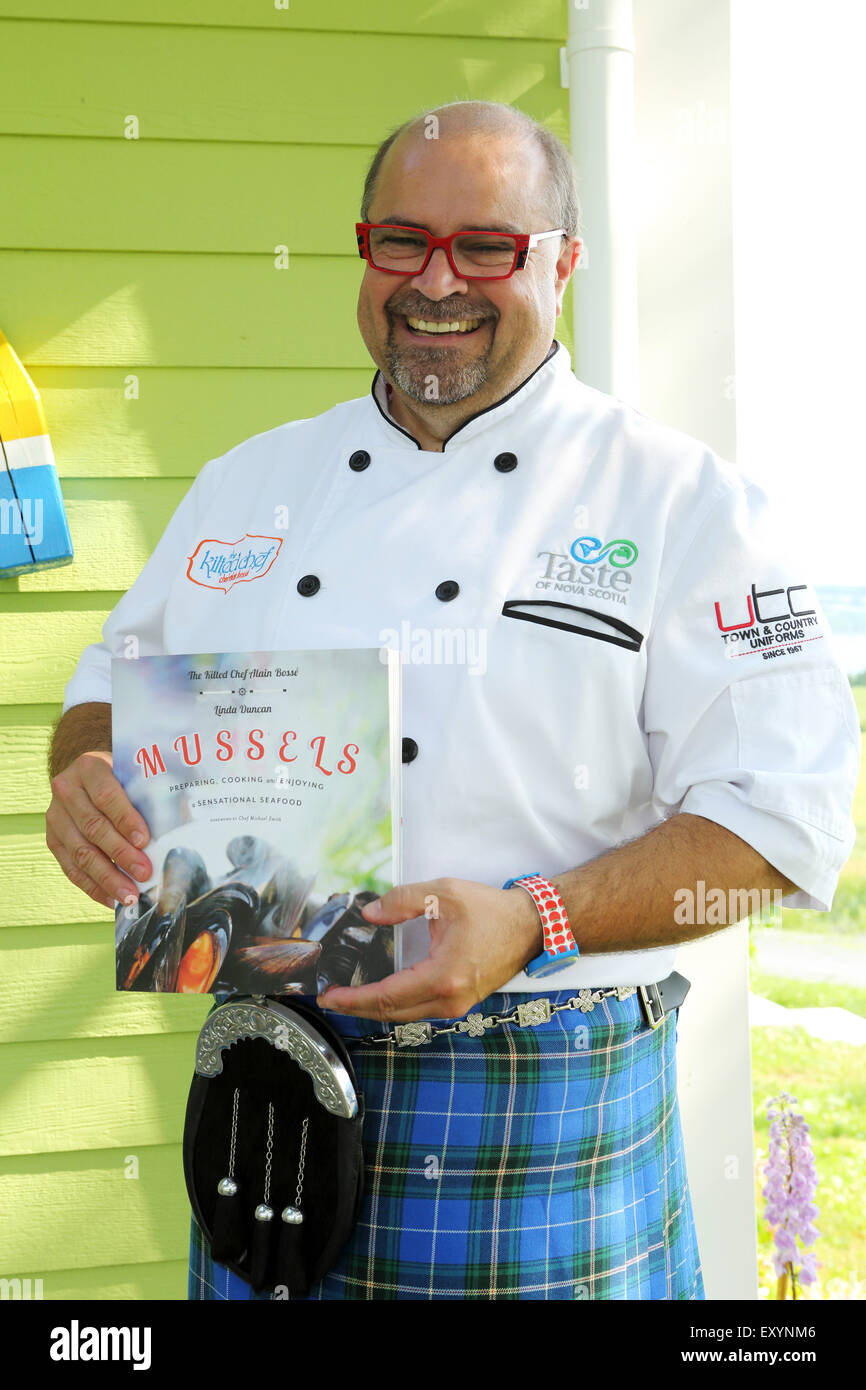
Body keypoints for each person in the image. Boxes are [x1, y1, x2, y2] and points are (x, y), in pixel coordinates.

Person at [48, 101, 860, 1301]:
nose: (437, 280)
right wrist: (84, 784)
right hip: (271, 1093)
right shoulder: (247, 484)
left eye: (487, 246)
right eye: (401, 240)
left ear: (562, 265)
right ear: (363, 251)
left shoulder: (688, 507)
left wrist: (538, 917)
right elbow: (105, 694)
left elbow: (778, 833)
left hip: (540, 1119)